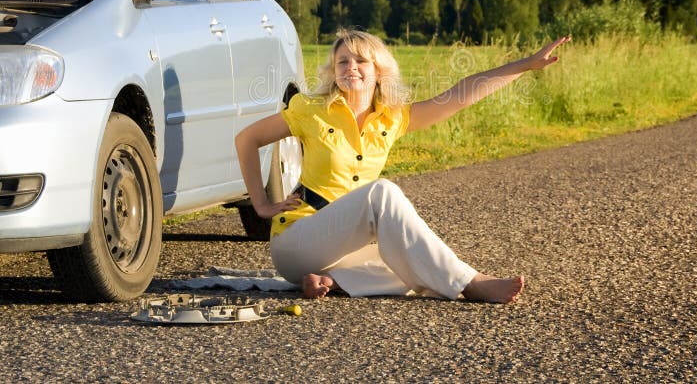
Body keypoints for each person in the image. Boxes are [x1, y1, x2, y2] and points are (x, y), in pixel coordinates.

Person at [235, 29, 570, 303]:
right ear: (334, 72)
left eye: (361, 60)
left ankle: (330, 282)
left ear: (379, 72)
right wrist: (262, 205)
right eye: (342, 61)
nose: (351, 66)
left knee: (416, 264)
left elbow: (461, 94)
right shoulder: (310, 109)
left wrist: (525, 65)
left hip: (342, 253)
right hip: (298, 241)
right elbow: (246, 139)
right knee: (383, 194)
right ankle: (472, 283)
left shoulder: (392, 119)